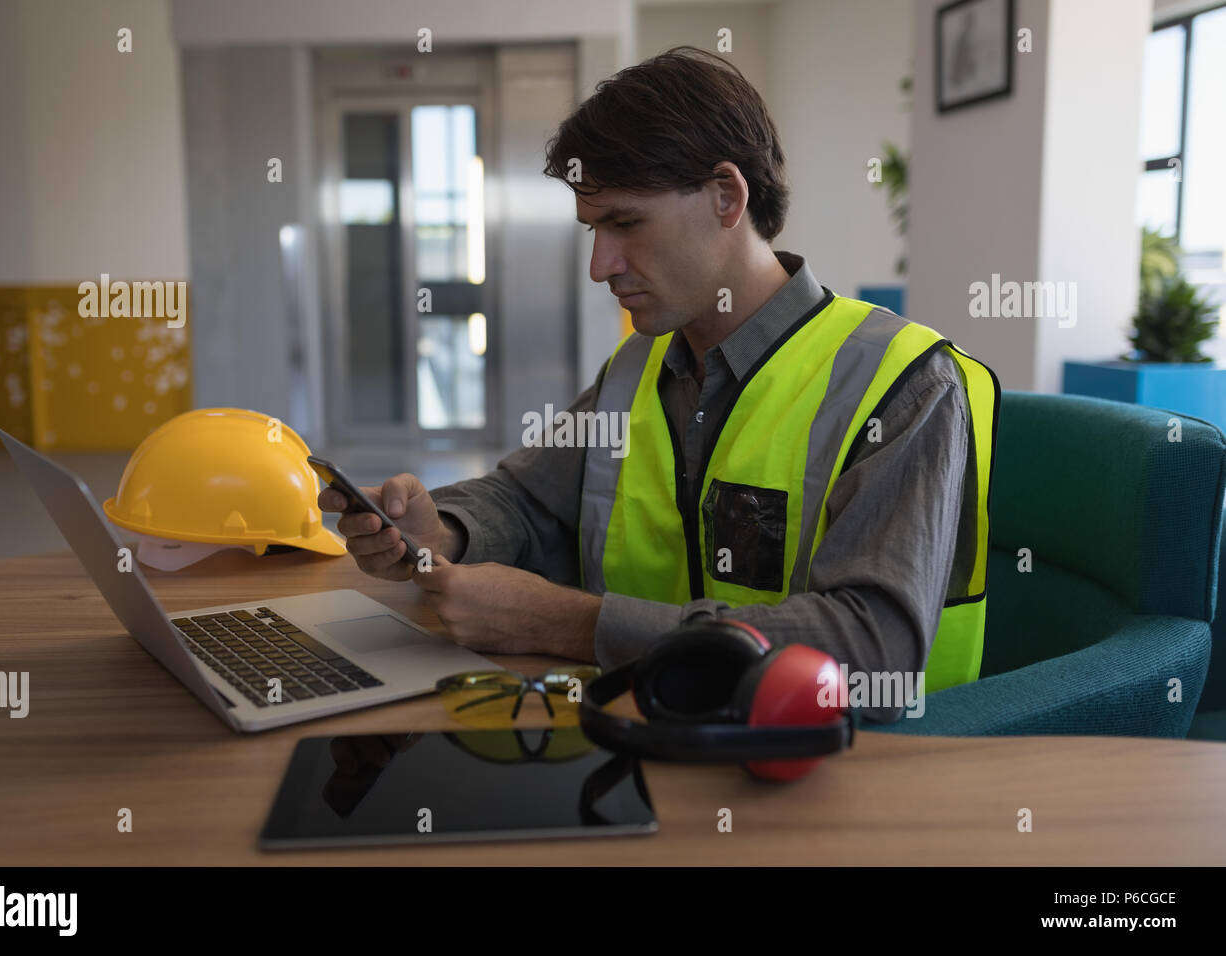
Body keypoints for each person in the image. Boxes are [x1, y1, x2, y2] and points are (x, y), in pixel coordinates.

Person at [320, 47, 998, 723]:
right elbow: (529, 498)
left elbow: (869, 647)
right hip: (643, 736)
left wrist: (576, 625)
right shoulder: (638, 367)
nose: (600, 266)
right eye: (593, 228)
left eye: (625, 223)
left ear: (726, 196)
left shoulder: (903, 384)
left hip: (828, 780)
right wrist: (445, 531)